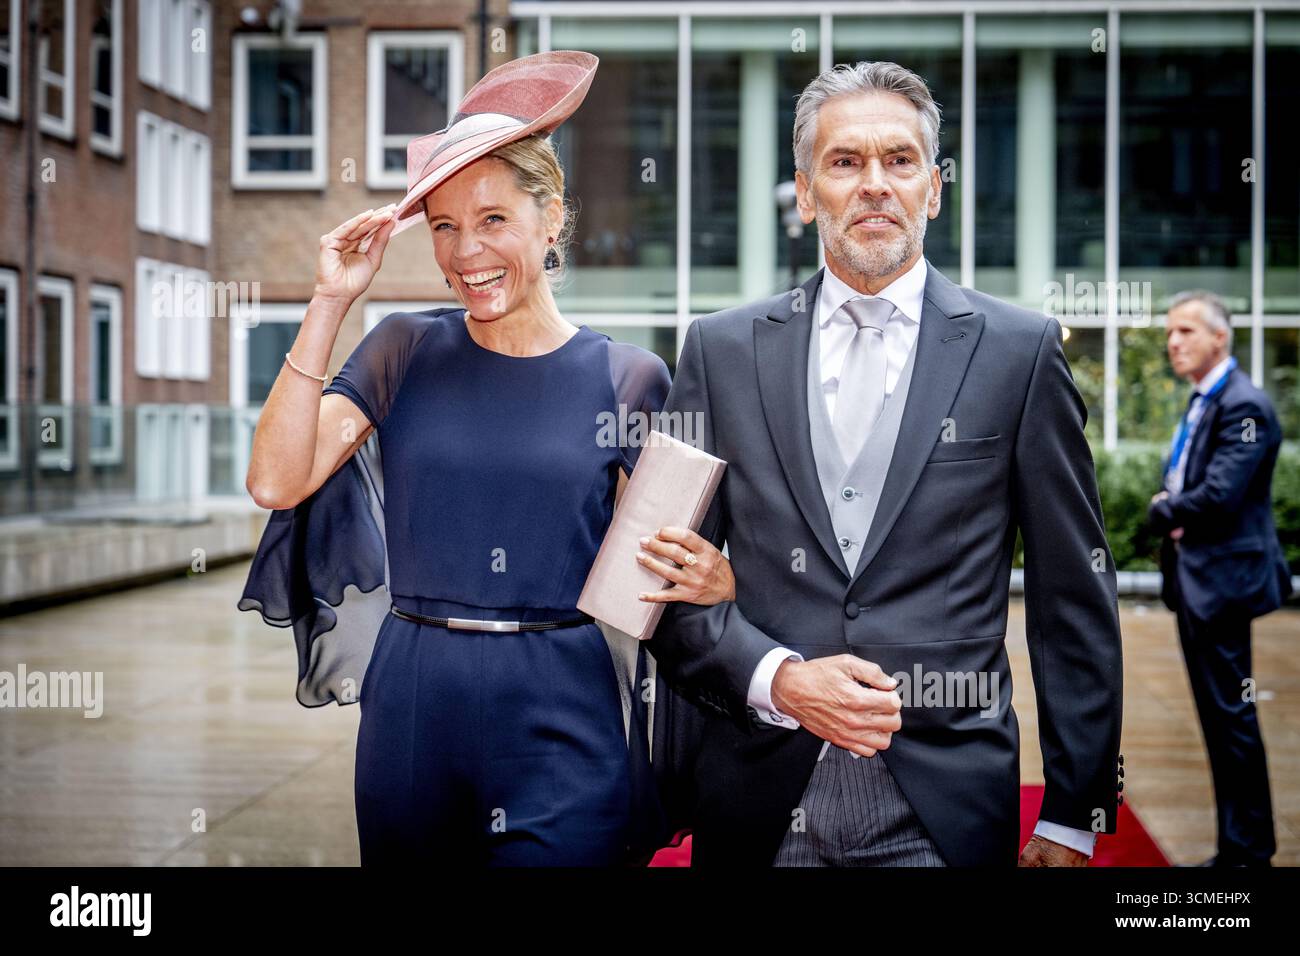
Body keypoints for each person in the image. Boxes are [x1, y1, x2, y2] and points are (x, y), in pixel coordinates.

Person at [236, 51, 729, 866]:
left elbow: (663, 582)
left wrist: (721, 579)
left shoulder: (628, 378)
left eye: (493, 219)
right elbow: (274, 480)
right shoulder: (401, 349)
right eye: (444, 226)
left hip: (562, 709)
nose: (467, 251)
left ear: (551, 217)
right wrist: (330, 301)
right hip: (412, 707)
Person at [643, 60, 1124, 867]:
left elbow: (1073, 595)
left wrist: (1076, 811)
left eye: (899, 161)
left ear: (933, 189)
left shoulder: (1021, 353)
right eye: (845, 162)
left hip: (942, 808)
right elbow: (649, 579)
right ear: (804, 194)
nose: (874, 184)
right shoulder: (719, 350)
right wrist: (775, 676)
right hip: (758, 796)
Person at [1148, 290, 1291, 867]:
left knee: (1232, 720)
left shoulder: (1244, 405)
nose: (1173, 342)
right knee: (1221, 719)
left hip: (1222, 585)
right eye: (1170, 333)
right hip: (1197, 582)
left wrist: (1165, 510)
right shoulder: (1206, 400)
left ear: (1219, 338)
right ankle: (1239, 844)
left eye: (1185, 331)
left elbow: (1219, 495)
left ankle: (1247, 851)